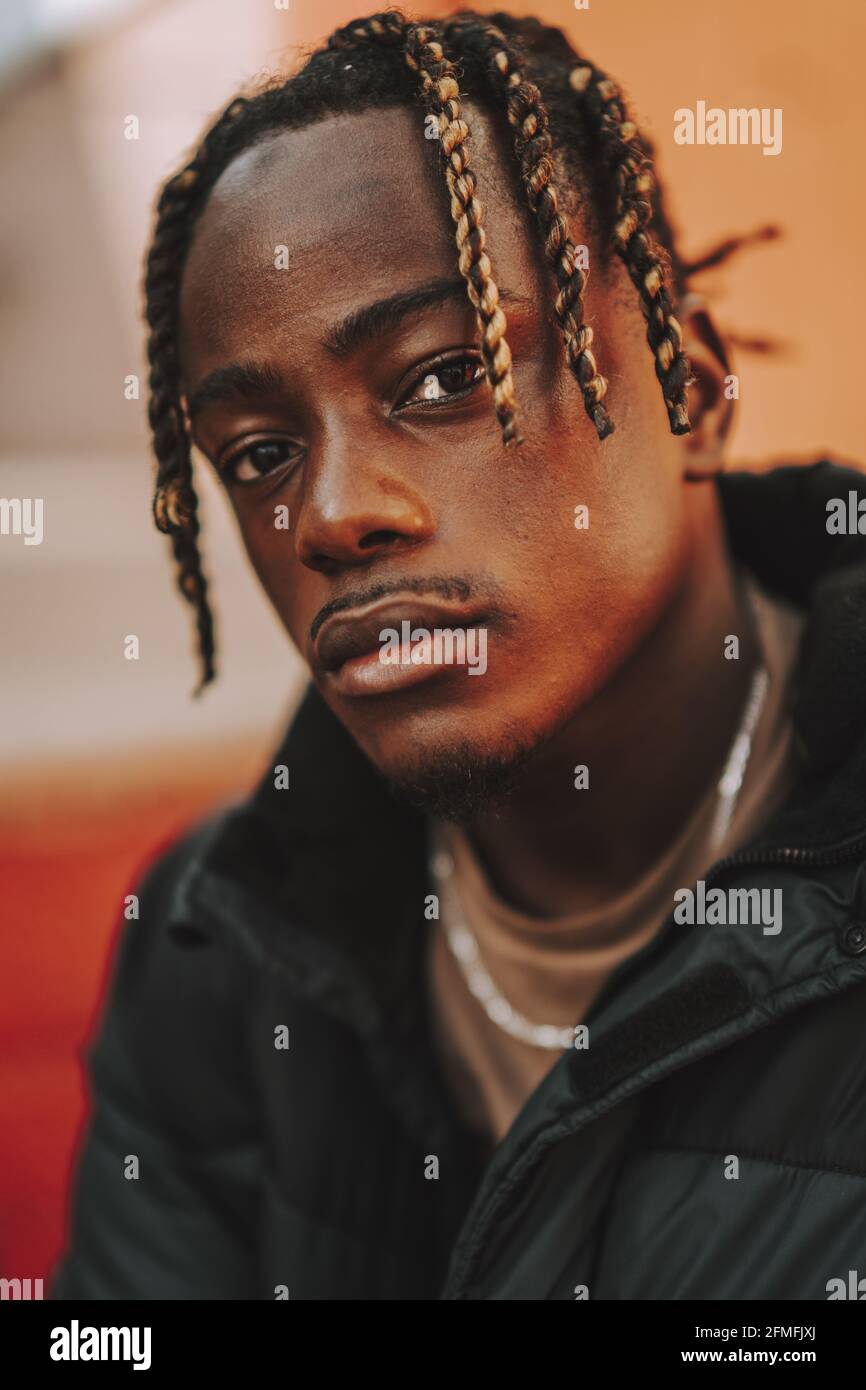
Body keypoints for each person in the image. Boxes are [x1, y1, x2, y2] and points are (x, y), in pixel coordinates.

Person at [52, 10, 866, 1300]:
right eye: (259, 454)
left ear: (694, 394)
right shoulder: (215, 945)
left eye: (441, 377)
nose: (328, 517)